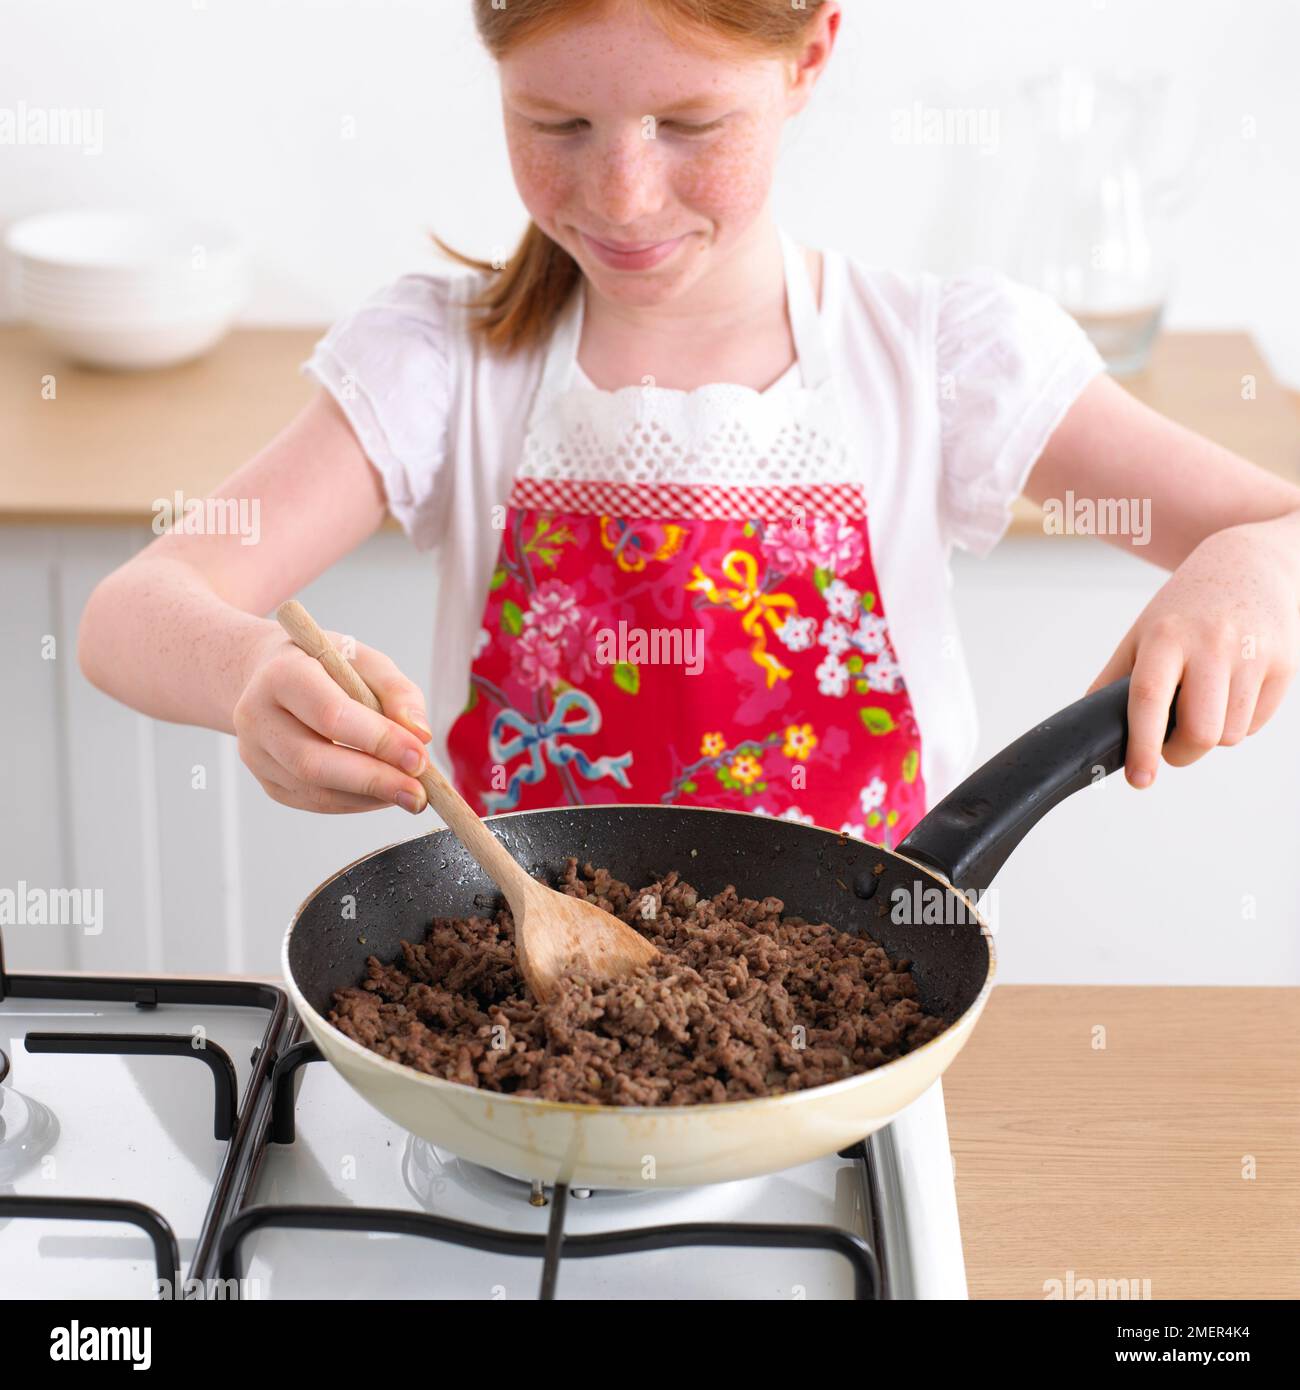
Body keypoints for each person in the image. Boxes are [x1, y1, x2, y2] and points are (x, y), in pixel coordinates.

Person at [78, 0, 1300, 852]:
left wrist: (1247, 563)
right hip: (523, 1033)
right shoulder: (448, 360)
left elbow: (1280, 526)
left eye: (688, 125)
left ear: (811, 53)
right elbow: (129, 611)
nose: (620, 193)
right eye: (556, 123)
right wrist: (249, 674)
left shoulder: (939, 363)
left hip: (860, 1029)